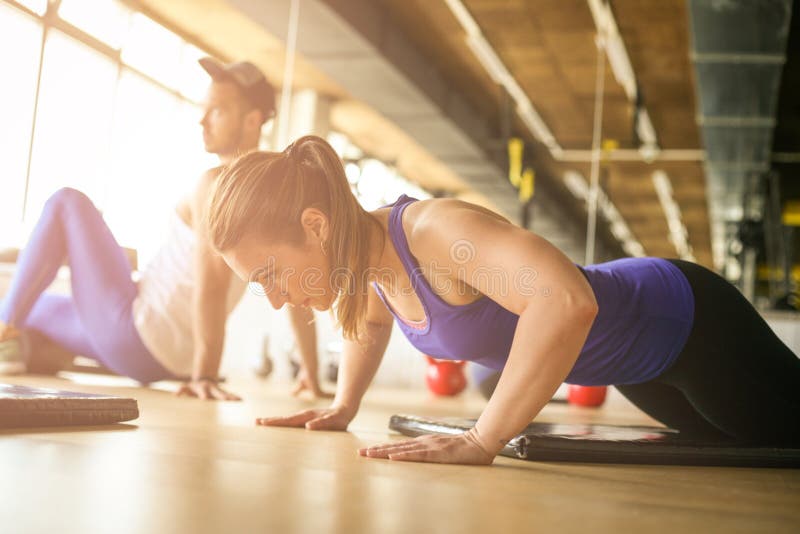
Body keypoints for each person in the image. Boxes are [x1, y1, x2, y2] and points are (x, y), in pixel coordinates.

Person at [205, 134, 800, 465]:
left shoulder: (436, 235)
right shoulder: (369, 269)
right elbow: (369, 326)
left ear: (316, 226)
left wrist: (480, 438)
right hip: (637, 368)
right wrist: (342, 407)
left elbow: (566, 302)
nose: (277, 300)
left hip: (686, 321)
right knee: (741, 443)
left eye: (269, 274)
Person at [0, 59, 327, 400]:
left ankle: (7, 334)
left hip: (137, 336)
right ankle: (26, 345)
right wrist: (310, 370)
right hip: (166, 359)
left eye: (216, 111)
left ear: (252, 120)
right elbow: (296, 285)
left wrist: (206, 375)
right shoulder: (275, 193)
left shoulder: (216, 184)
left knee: (66, 203)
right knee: (37, 323)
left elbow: (211, 285)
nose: (202, 120)